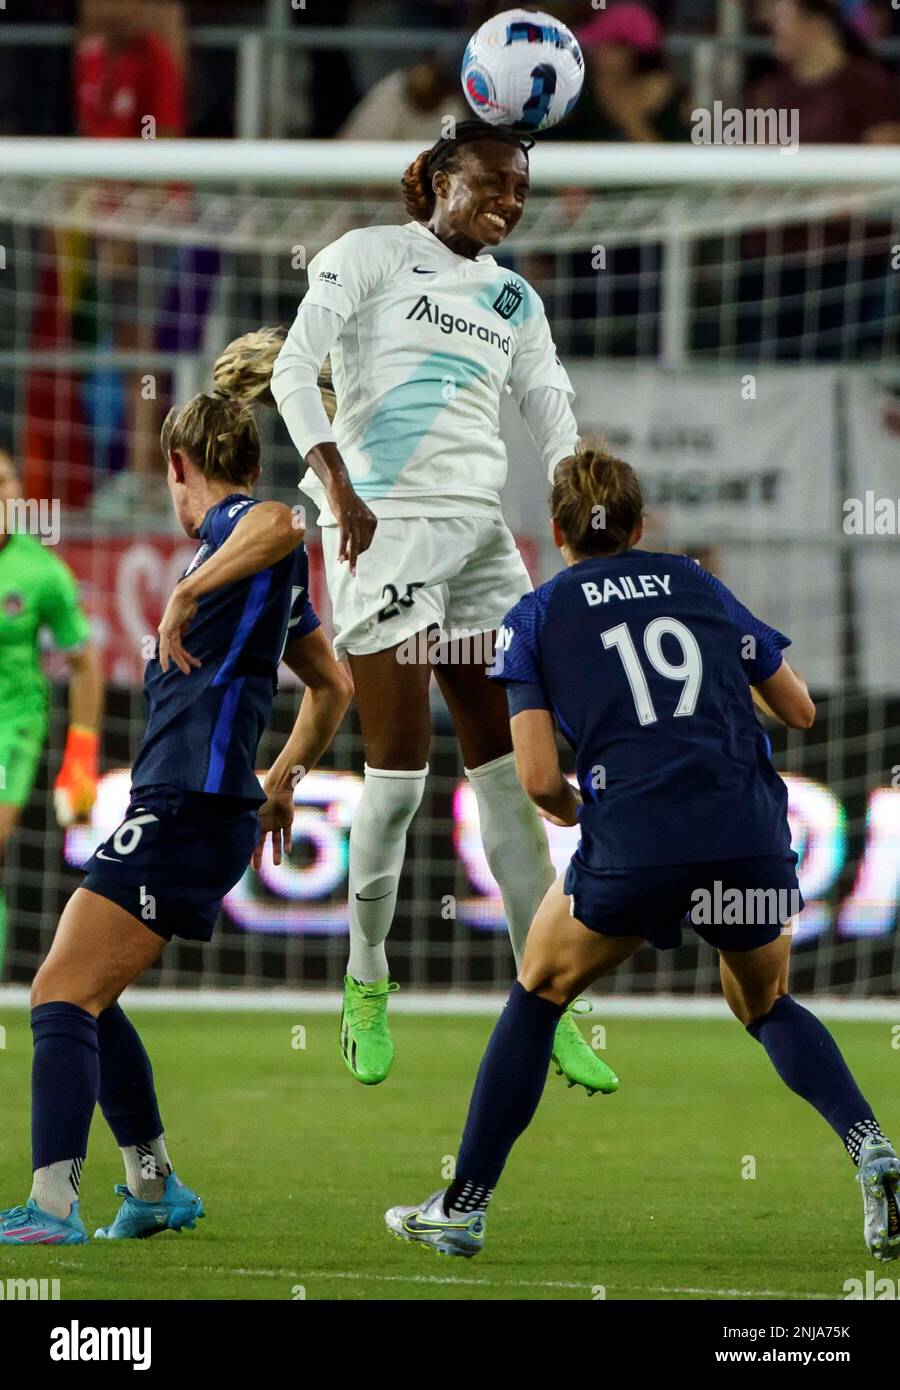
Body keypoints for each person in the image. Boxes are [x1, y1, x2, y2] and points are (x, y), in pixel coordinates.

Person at [385, 440, 899, 1263]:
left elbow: (541, 781)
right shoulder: (699, 584)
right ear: (639, 524)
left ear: (557, 531)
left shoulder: (538, 616)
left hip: (637, 844)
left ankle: (464, 1205)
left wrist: (594, 806)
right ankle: (872, 1147)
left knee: (540, 990)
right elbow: (799, 711)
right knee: (766, 1006)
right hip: (750, 839)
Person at [269, 120, 619, 1096]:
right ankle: (367, 973)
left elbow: (550, 403)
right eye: (493, 185)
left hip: (481, 544)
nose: (507, 204)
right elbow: (294, 370)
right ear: (434, 177)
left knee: (512, 778)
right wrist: (334, 484)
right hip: (385, 531)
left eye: (521, 191)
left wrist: (577, 496)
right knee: (398, 781)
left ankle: (550, 997)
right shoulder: (367, 256)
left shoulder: (513, 296)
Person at [0, 358, 351, 1245]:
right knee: (89, 993)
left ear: (177, 467)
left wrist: (188, 591)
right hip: (200, 805)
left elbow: (283, 516)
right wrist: (281, 782)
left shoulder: (238, 534)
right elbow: (331, 689)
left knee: (58, 995)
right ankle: (152, 1186)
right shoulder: (254, 576)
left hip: (187, 807)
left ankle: (50, 1206)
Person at [0, 447, 103, 978]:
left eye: (8, 480)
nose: (3, 492)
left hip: (11, 724)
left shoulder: (41, 573)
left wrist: (81, 754)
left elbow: (85, 665)